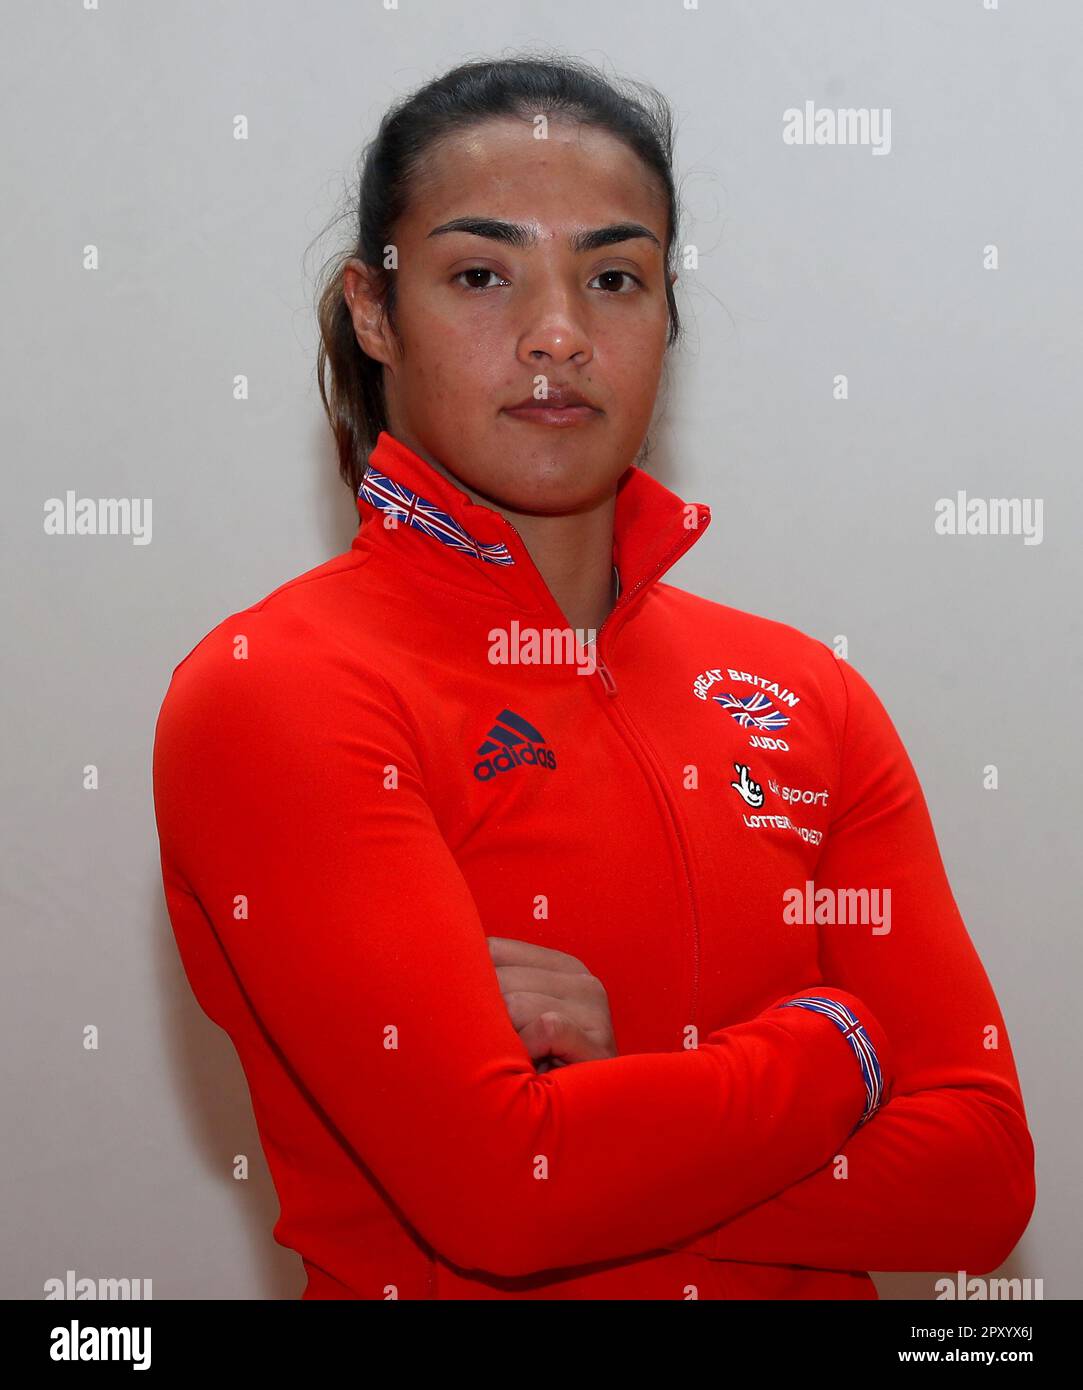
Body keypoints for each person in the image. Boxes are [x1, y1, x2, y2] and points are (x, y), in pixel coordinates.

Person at [151, 53, 1035, 1300]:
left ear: (666, 315)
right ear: (374, 309)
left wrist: (628, 1098)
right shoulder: (278, 689)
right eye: (481, 274)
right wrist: (839, 1046)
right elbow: (508, 1194)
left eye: (614, 277)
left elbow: (982, 1180)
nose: (558, 334)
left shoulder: (804, 692)